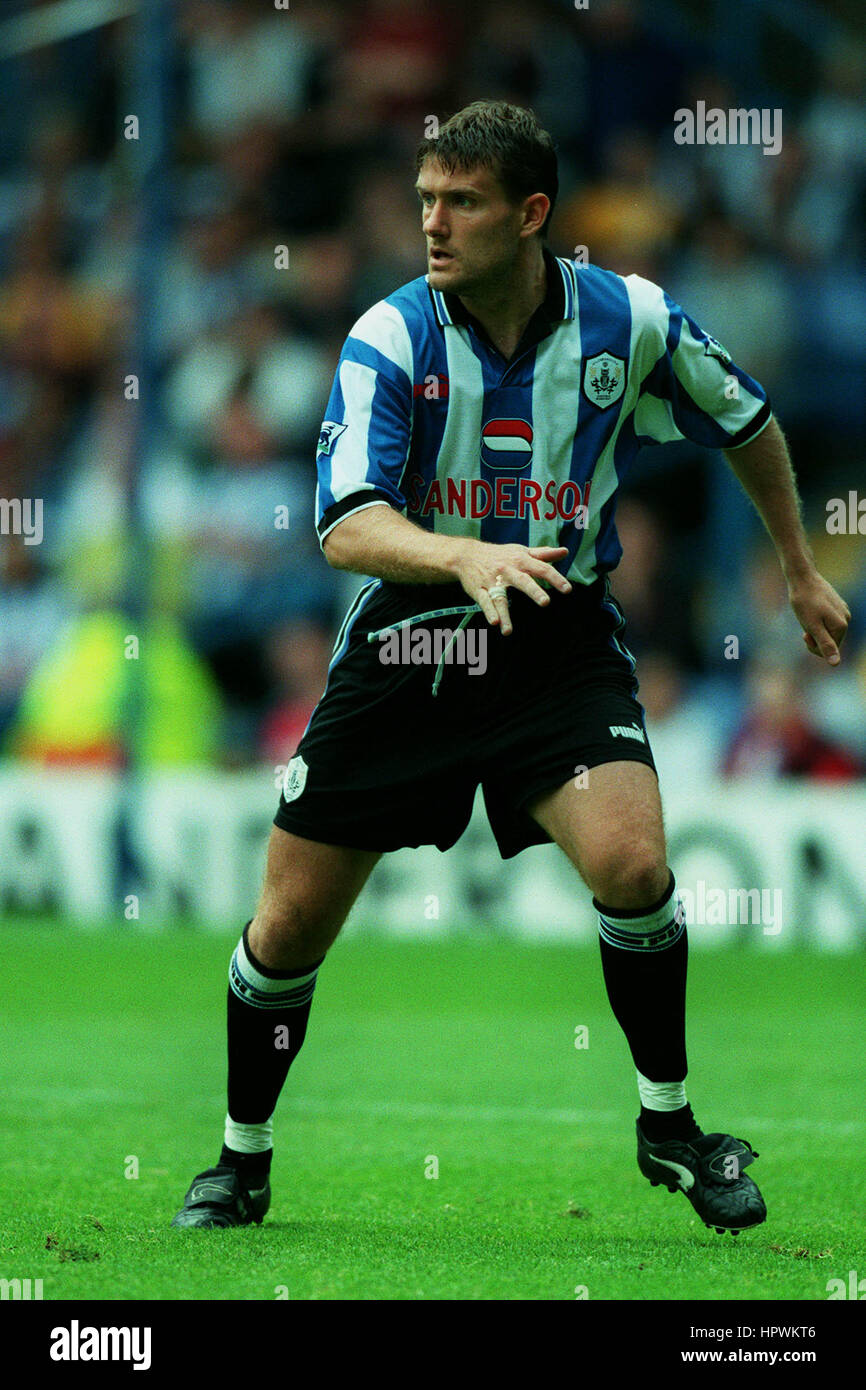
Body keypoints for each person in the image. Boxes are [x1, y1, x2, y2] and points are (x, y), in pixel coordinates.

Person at [172, 101, 850, 1236]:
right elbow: (343, 527)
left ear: (531, 214)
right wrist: (458, 554)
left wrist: (795, 567)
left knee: (632, 863)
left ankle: (668, 1127)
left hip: (555, 637)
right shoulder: (389, 338)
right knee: (286, 930)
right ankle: (241, 1159)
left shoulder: (625, 320)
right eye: (425, 199)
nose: (432, 223)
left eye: (461, 202)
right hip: (412, 636)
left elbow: (745, 418)